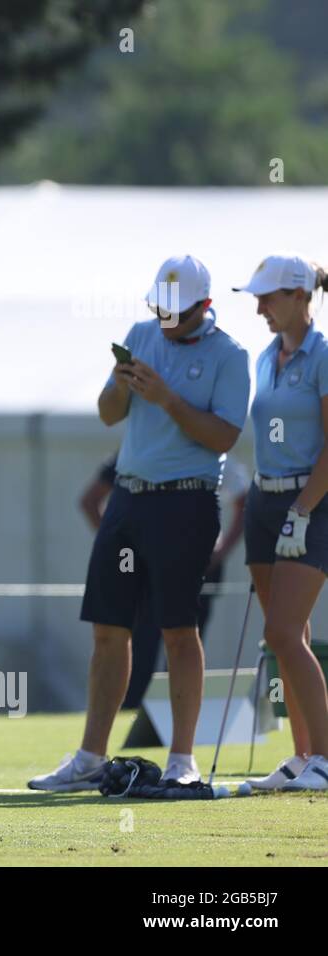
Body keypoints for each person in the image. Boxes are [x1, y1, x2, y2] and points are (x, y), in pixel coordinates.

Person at [30, 254, 250, 791]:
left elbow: (223, 437)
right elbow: (109, 413)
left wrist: (168, 399)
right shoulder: (140, 334)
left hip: (186, 504)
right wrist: (124, 387)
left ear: (205, 306)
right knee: (108, 630)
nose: (165, 320)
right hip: (129, 499)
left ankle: (181, 760)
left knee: (179, 630)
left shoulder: (230, 354)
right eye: (160, 308)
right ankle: (89, 758)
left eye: (175, 311)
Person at [235, 253, 328, 792]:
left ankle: (325, 756)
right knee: (285, 638)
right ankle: (301, 757)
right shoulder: (267, 356)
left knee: (284, 632)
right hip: (265, 502)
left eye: (268, 298)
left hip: (309, 502)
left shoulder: (322, 356)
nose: (260, 309)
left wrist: (302, 510)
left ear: (299, 296)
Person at [77, 450, 248, 711]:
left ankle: (174, 720)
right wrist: (121, 548)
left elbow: (242, 501)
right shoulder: (131, 454)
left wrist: (220, 552)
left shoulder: (211, 453)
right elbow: (90, 501)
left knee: (182, 641)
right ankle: (134, 712)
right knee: (142, 644)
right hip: (148, 563)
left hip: (195, 563)